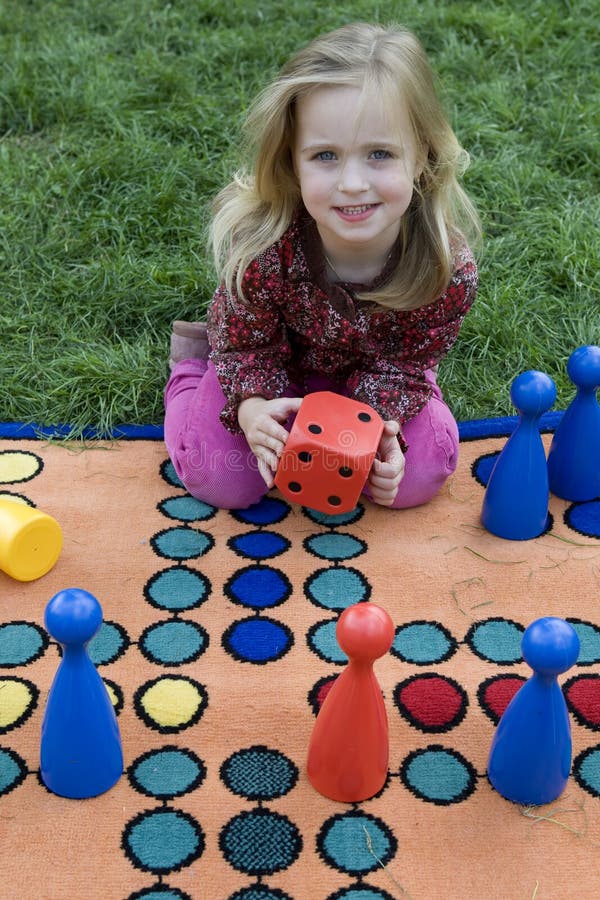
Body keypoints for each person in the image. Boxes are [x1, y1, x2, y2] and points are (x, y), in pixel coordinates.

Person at [164, 22, 479, 511]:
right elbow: (250, 346)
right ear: (293, 163)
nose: (352, 183)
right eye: (325, 156)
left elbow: (406, 362)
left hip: (376, 378)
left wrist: (378, 434)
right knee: (222, 480)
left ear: (421, 156)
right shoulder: (265, 248)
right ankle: (190, 366)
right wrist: (251, 410)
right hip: (271, 371)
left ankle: (402, 424)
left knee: (417, 477)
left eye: (379, 154)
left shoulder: (442, 265)